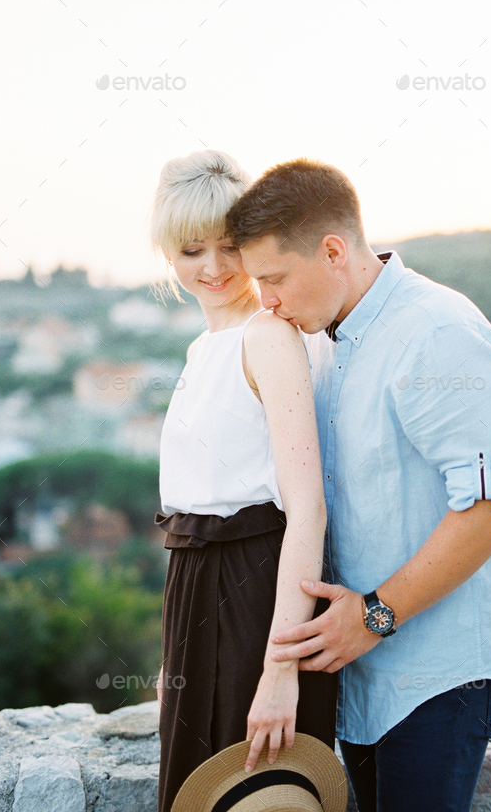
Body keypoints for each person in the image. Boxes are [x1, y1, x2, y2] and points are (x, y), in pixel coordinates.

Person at [226, 158, 491, 812]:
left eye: (275, 278)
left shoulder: (436, 332)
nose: (267, 300)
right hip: (366, 670)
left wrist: (375, 614)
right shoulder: (322, 340)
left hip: (439, 673)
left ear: (332, 251)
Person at [150, 151, 336, 812]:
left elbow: (307, 510)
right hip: (194, 592)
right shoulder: (204, 348)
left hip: (255, 595)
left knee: (256, 792)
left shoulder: (268, 337)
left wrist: (280, 669)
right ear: (168, 253)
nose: (214, 267)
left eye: (229, 246)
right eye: (191, 250)